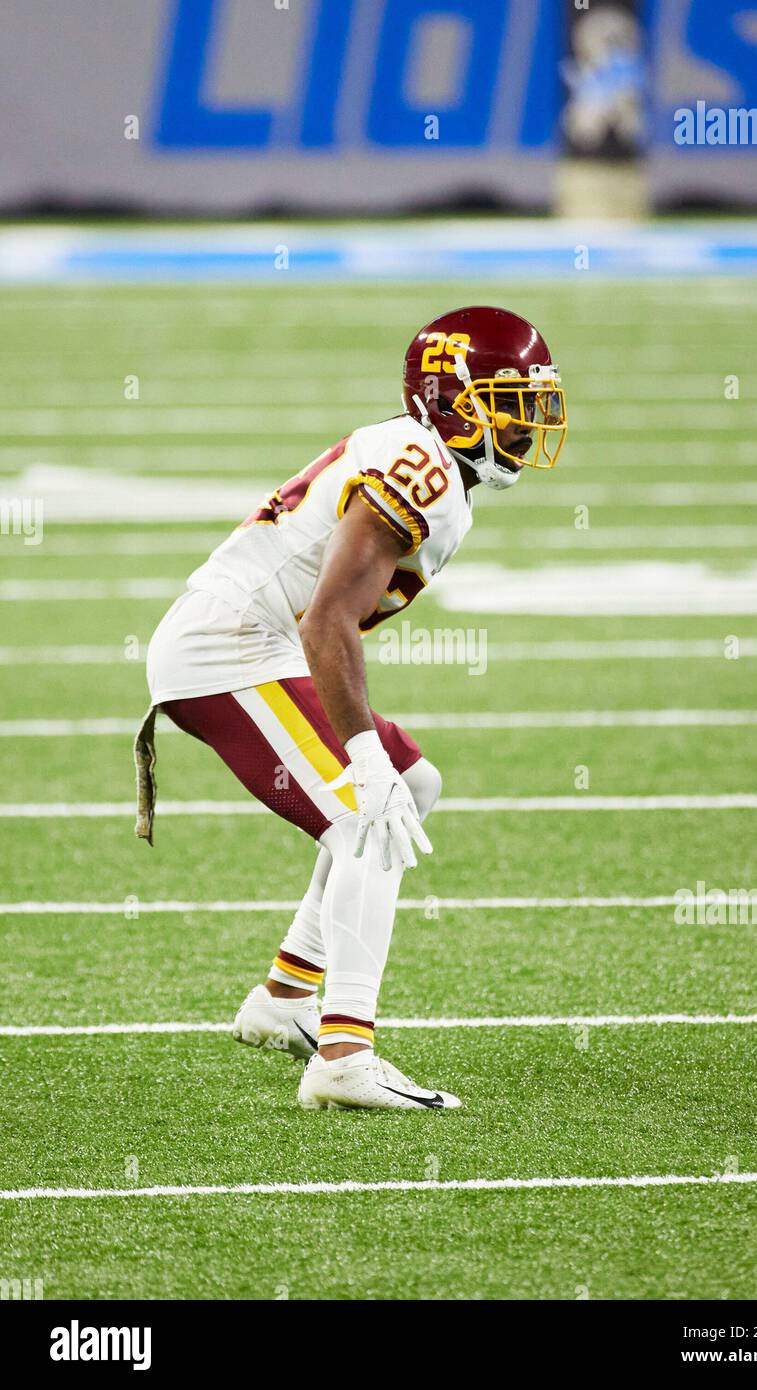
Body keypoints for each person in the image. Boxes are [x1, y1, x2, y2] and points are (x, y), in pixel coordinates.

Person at [135, 305, 567, 1111]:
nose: (525, 422)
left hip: (251, 641)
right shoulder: (422, 471)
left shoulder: (431, 465)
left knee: (417, 784)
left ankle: (286, 996)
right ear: (451, 400)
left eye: (532, 401)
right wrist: (362, 757)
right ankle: (343, 1053)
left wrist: (379, 758)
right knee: (369, 812)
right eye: (510, 399)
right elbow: (326, 619)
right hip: (227, 645)